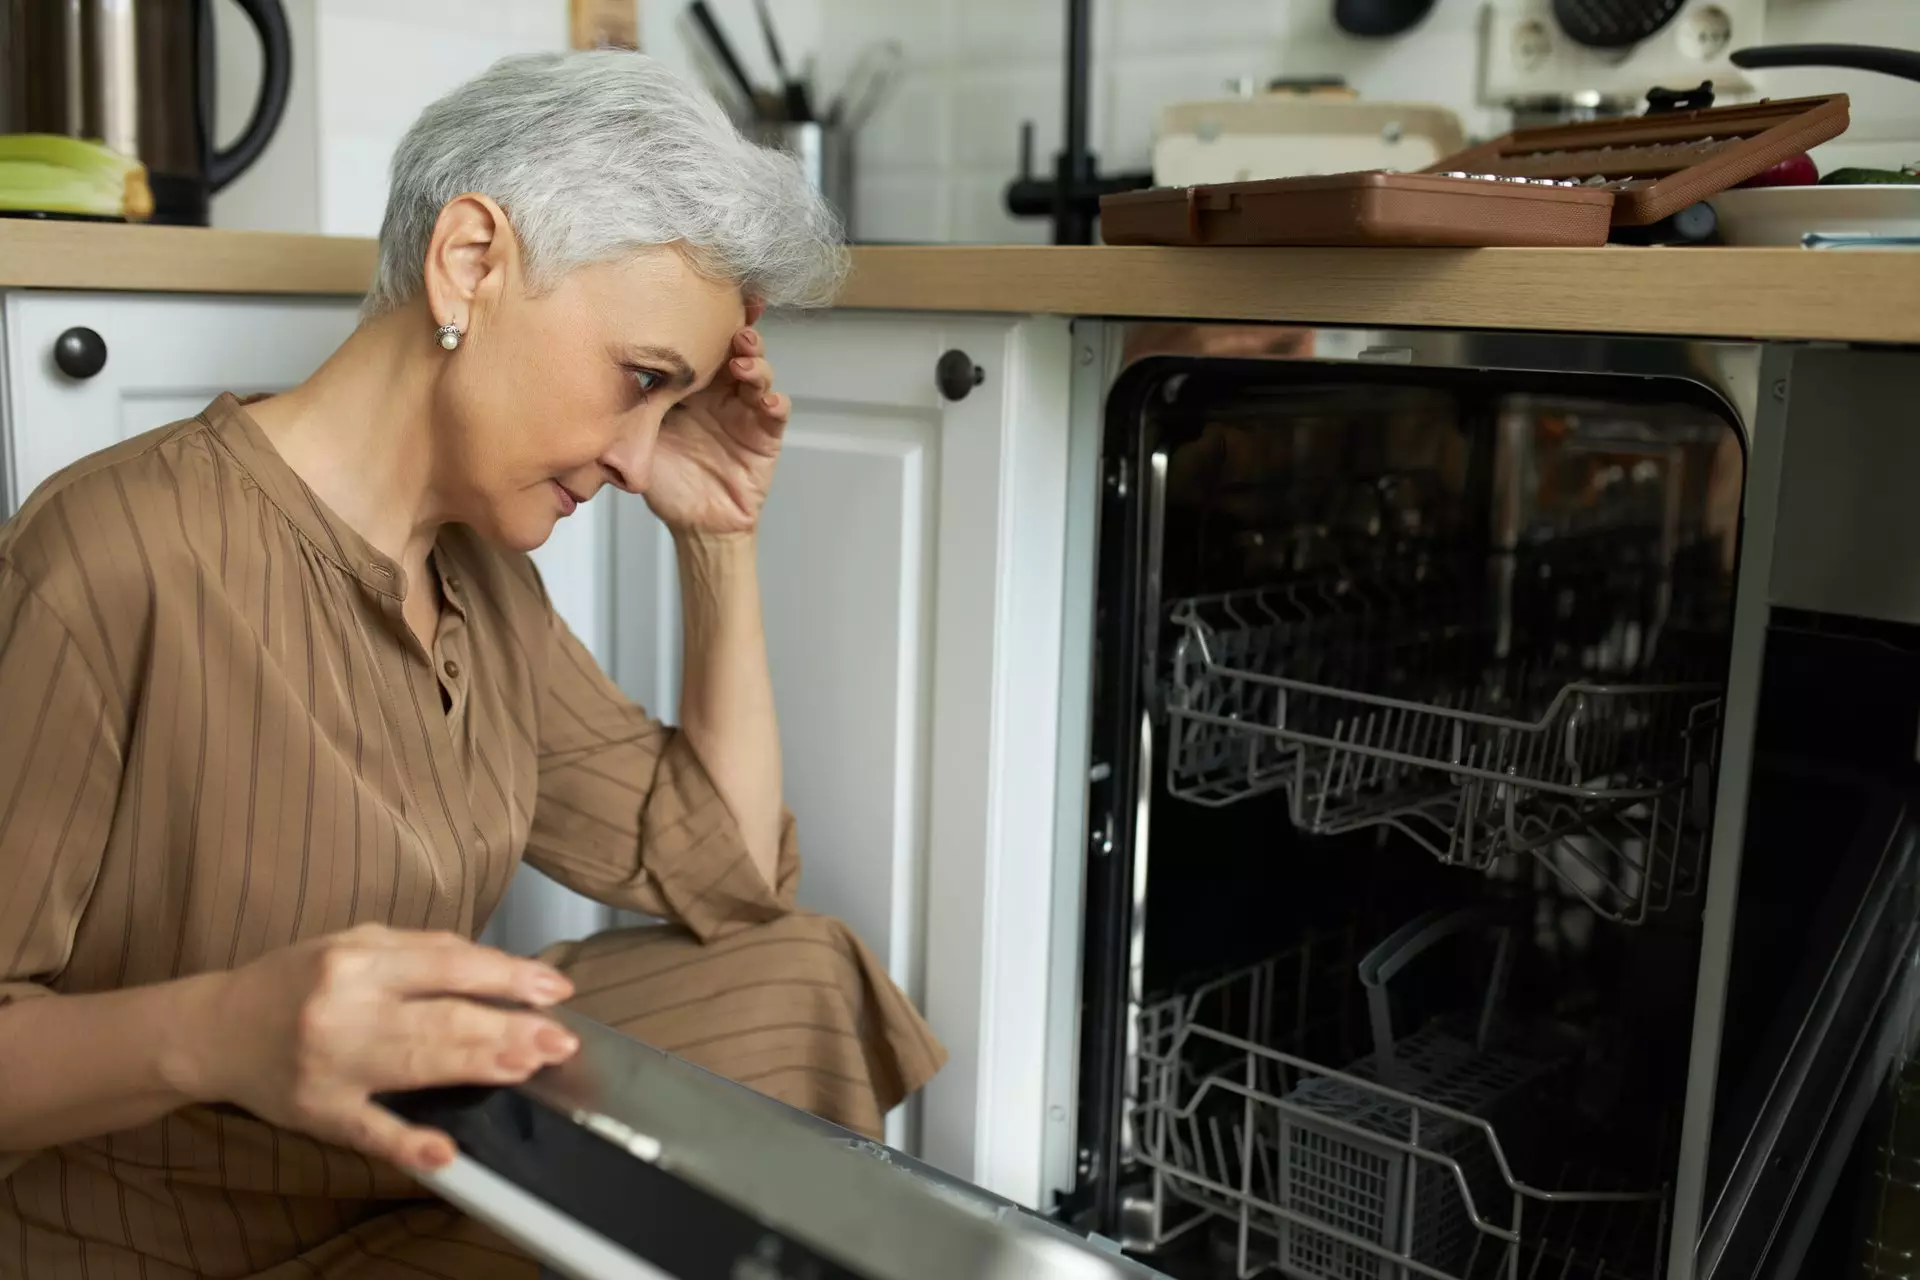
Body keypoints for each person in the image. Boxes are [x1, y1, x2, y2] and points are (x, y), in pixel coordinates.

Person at [0, 50, 944, 1278]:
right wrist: (223, 1030)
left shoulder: (487, 583)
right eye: (641, 381)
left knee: (794, 967)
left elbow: (729, 871)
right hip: (175, 1241)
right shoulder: (113, 553)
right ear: (471, 262)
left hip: (431, 1166)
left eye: (673, 406)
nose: (632, 454)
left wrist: (717, 540)